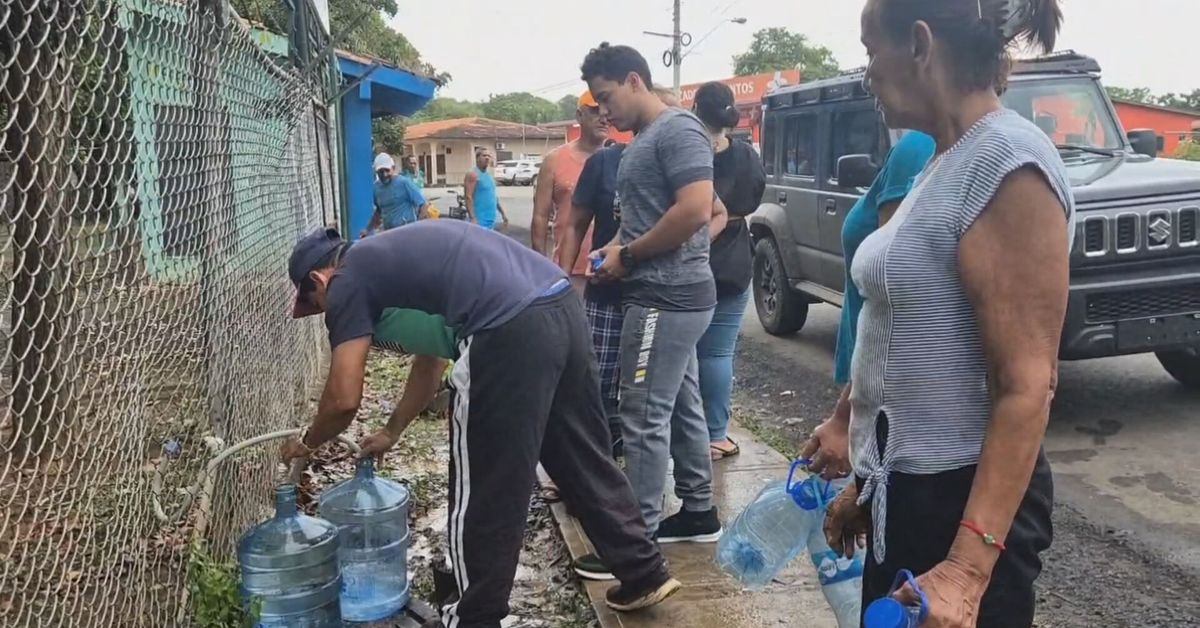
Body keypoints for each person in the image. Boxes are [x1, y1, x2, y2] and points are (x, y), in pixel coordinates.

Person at [279, 221, 681, 627]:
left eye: (315, 304)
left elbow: (343, 399)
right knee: (581, 454)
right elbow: (430, 361)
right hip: (559, 304)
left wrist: (307, 442)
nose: (324, 313)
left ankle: (475, 618)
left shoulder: (346, 280)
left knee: (487, 487)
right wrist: (392, 431)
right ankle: (643, 571)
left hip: (505, 327)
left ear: (319, 278)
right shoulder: (390, 262)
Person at [822, 1, 1072, 627]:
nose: (867, 72)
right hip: (910, 491)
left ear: (921, 45)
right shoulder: (942, 161)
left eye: (871, 49)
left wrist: (966, 570)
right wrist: (868, 484)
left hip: (962, 503)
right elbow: (899, 340)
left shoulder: (1006, 162)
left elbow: (1027, 387)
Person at [581, 43, 721, 547]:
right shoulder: (644, 139)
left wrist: (632, 257)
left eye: (606, 96)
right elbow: (652, 215)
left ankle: (634, 540)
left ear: (635, 80)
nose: (602, 110)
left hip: (666, 298)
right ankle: (699, 510)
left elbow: (697, 210)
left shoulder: (678, 130)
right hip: (660, 293)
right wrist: (614, 249)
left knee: (640, 413)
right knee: (681, 403)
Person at [801, 130, 935, 480]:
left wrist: (845, 418)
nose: (869, 81)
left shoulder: (917, 147)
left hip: (885, 396)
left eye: (878, 72)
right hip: (876, 387)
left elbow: (893, 300)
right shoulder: (928, 147)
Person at [689, 81, 767, 461]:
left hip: (687, 255)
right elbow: (755, 196)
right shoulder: (746, 155)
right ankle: (715, 435)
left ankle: (682, 431)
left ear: (696, 109)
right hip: (733, 258)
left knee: (685, 352)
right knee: (717, 354)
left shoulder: (686, 150)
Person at [531, 90, 609, 291]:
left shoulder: (618, 159)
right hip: (568, 271)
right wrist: (541, 266)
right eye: (594, 111)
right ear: (579, 116)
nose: (603, 117)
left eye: (606, 111)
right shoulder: (554, 160)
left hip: (609, 269)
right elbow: (540, 216)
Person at [364, 153, 429, 237]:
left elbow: (423, 204)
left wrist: (417, 227)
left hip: (407, 233)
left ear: (393, 169)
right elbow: (379, 211)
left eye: (387, 170)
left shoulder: (403, 183)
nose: (384, 175)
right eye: (381, 172)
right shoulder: (376, 188)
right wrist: (367, 229)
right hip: (390, 234)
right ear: (376, 172)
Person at [464, 149, 510, 231]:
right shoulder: (472, 174)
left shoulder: (489, 176)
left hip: (491, 221)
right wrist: (473, 218)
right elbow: (468, 197)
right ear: (477, 158)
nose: (487, 158)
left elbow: (494, 197)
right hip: (479, 221)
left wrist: (503, 214)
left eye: (489, 156)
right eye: (484, 155)